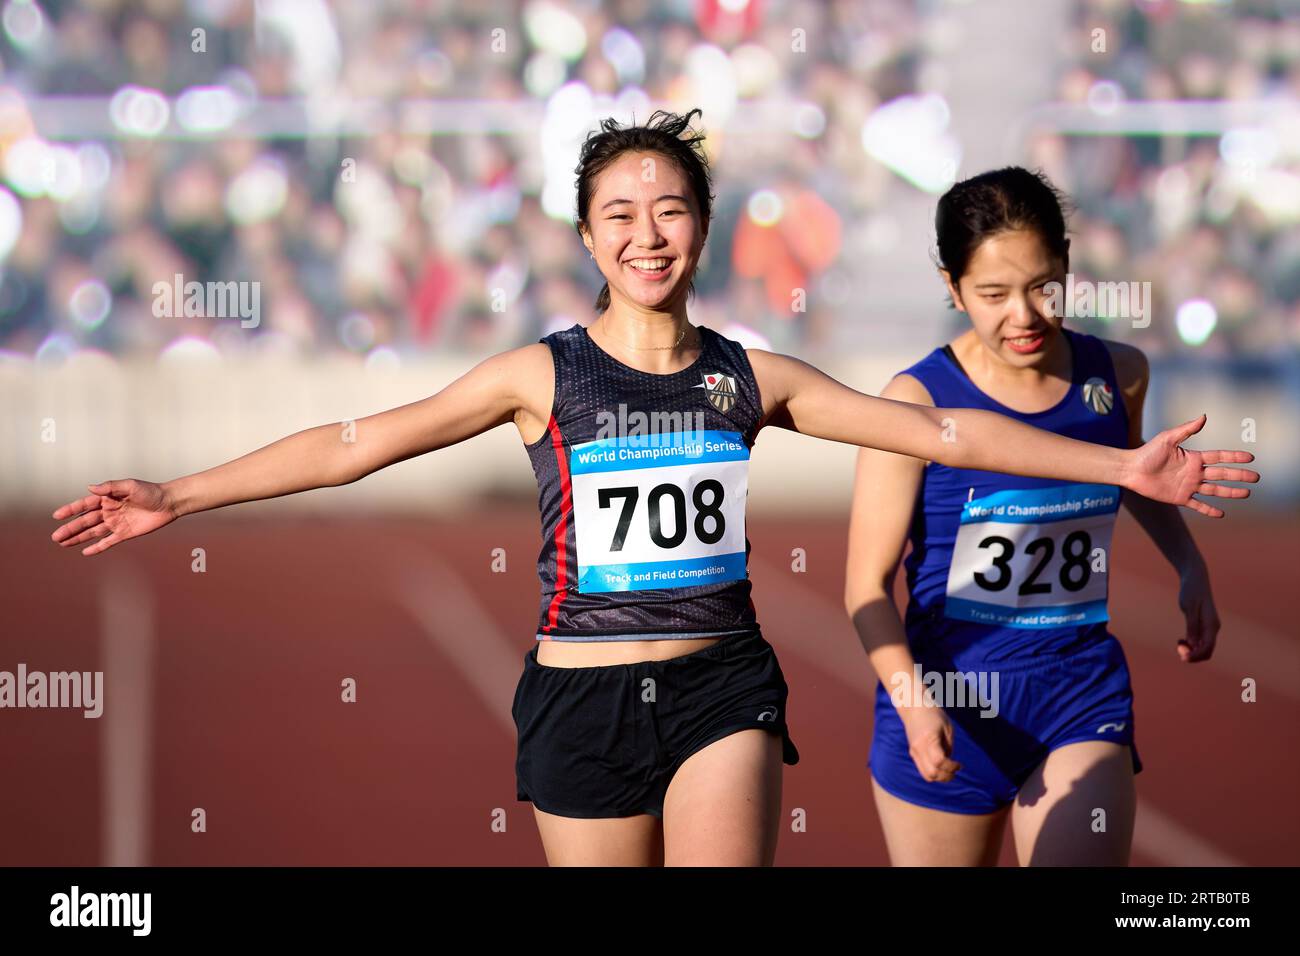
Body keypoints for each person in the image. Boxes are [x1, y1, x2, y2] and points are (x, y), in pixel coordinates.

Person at [51, 115, 1257, 867]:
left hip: (719, 686)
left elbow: (943, 426)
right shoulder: (543, 373)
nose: (647, 232)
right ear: (588, 236)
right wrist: (181, 492)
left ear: (702, 230)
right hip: (576, 705)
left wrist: (1120, 464)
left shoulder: (751, 375)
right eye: (619, 213)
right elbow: (361, 441)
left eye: (669, 209)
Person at [844, 166, 1231, 866]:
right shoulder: (910, 402)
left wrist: (1187, 562)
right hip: (948, 705)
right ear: (952, 288)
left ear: (1067, 267)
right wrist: (912, 701)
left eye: (1041, 287)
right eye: (992, 294)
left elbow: (1130, 476)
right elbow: (865, 587)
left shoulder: (1120, 375)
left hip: (1077, 696)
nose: (1022, 316)